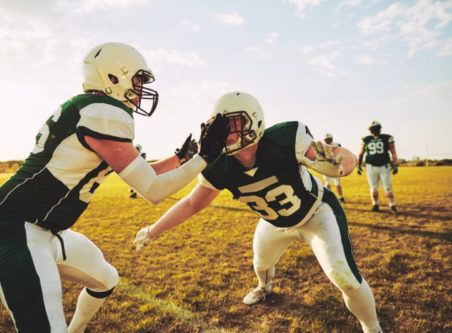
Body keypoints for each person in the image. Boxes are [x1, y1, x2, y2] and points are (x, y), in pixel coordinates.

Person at [0, 42, 228, 333]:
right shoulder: (103, 111)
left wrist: (179, 159)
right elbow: (153, 190)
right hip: (15, 229)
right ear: (112, 77)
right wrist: (203, 158)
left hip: (47, 230)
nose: (140, 89)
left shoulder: (90, 110)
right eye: (138, 79)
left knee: (105, 279)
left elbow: (141, 173)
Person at [134, 92, 384, 333]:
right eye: (220, 127)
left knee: (344, 276)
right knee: (261, 264)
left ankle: (372, 328)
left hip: (316, 212)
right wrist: (152, 230)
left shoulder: (285, 139)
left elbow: (340, 160)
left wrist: (340, 160)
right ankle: (265, 288)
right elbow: (192, 204)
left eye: (233, 124)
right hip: (272, 222)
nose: (226, 133)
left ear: (254, 120)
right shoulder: (218, 164)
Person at [357, 121, 398, 213]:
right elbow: (361, 154)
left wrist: (395, 164)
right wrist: (358, 166)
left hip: (384, 165)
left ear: (379, 129)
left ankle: (392, 205)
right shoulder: (366, 139)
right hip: (370, 166)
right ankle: (375, 204)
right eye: (373, 129)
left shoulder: (386, 138)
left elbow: (393, 152)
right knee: (373, 187)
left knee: (387, 186)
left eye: (376, 129)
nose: (374, 131)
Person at [322, 133, 345, 203]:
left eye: (329, 139)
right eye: (326, 139)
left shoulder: (336, 145)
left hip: (335, 167)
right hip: (326, 167)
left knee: (337, 183)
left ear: (331, 139)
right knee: (327, 183)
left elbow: (341, 154)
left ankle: (341, 197)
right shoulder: (322, 146)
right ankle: (328, 197)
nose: (327, 141)